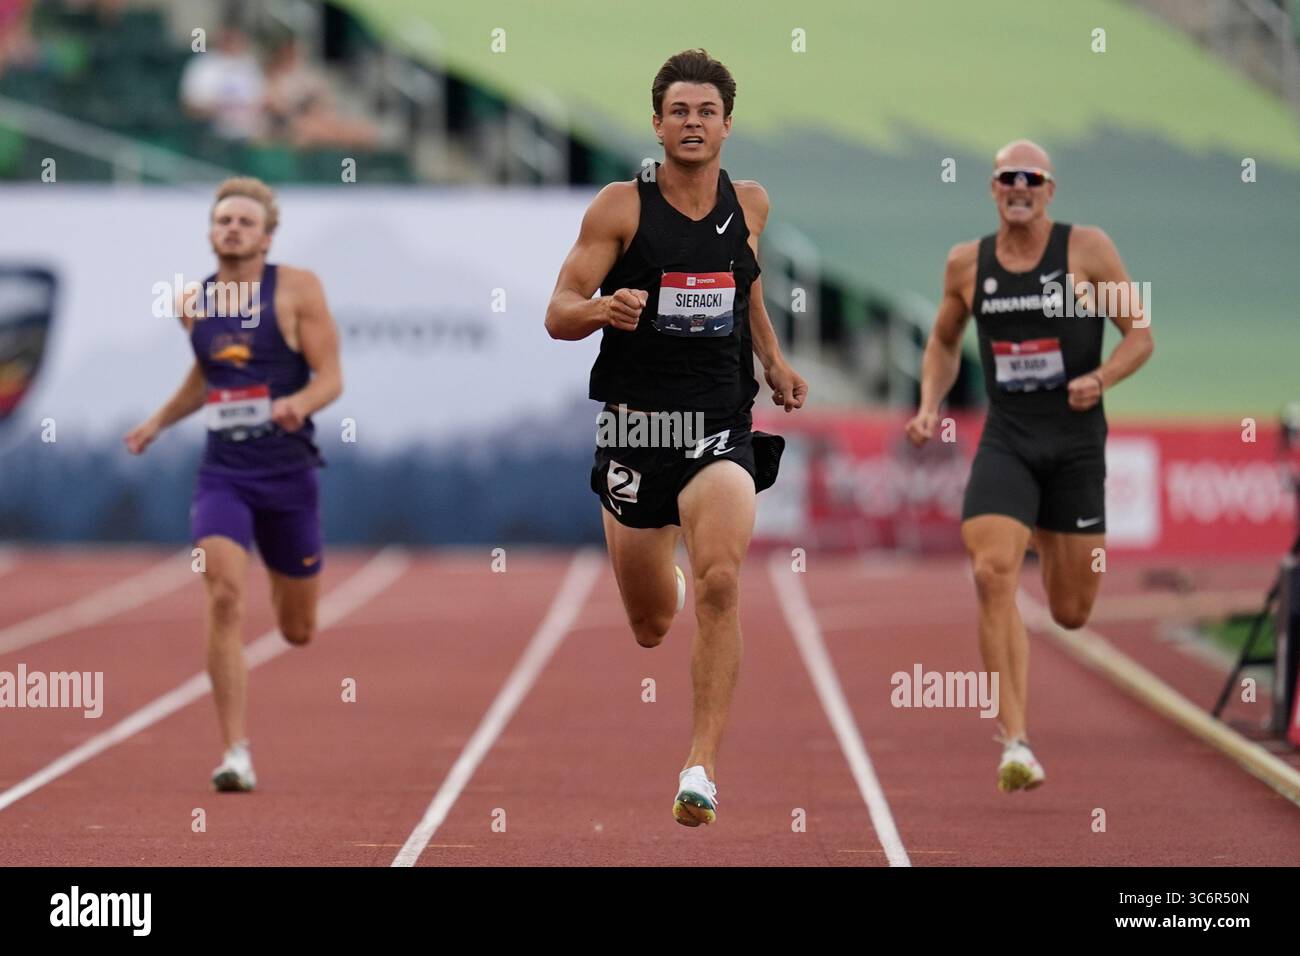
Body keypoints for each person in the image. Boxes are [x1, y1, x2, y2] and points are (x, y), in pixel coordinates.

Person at [545, 49, 807, 826]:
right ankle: (659, 565)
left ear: (728, 123)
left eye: (707, 112)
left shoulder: (749, 203)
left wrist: (773, 358)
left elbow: (746, 285)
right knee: (652, 624)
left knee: (722, 580)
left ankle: (701, 767)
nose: (693, 124)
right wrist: (603, 310)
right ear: (657, 124)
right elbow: (558, 309)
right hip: (636, 428)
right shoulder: (620, 208)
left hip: (717, 424)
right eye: (679, 112)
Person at [905, 140, 1153, 791]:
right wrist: (931, 403)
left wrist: (1100, 379)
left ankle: (1047, 529)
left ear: (1049, 189)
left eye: (1031, 178)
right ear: (992, 189)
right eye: (1007, 178)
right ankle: (1014, 740)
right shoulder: (967, 264)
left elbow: (1142, 334)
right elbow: (942, 340)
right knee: (991, 573)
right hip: (1007, 438)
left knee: (1071, 611)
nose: (1019, 186)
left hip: (1073, 444)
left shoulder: (1086, 250)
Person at [125, 177, 342, 791]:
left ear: (266, 235)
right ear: (211, 230)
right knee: (222, 594)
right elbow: (207, 375)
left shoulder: (299, 288)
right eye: (224, 220)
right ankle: (235, 754)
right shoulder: (192, 302)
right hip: (223, 473)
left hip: (289, 473)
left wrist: (299, 403)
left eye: (246, 222)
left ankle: (289, 591)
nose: (234, 229)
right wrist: (156, 423)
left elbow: (332, 377)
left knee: (297, 630)